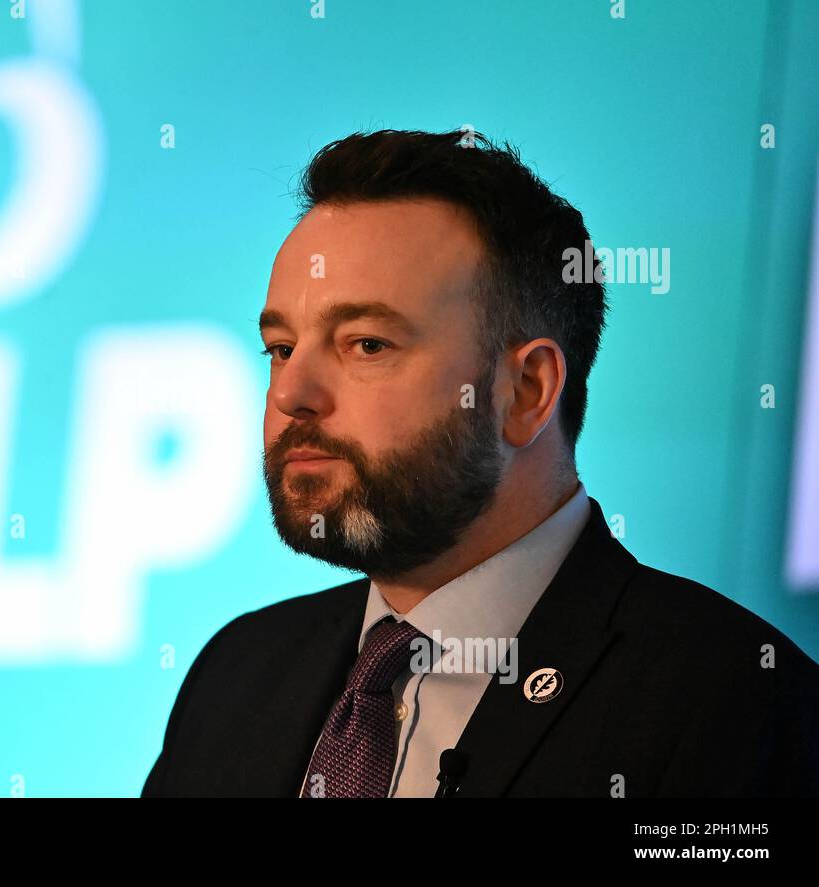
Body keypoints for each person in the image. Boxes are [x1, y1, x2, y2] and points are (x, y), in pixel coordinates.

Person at [141, 128, 819, 797]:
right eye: (282, 347)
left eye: (367, 344)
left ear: (525, 392)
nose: (291, 393)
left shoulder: (734, 702)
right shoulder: (238, 674)